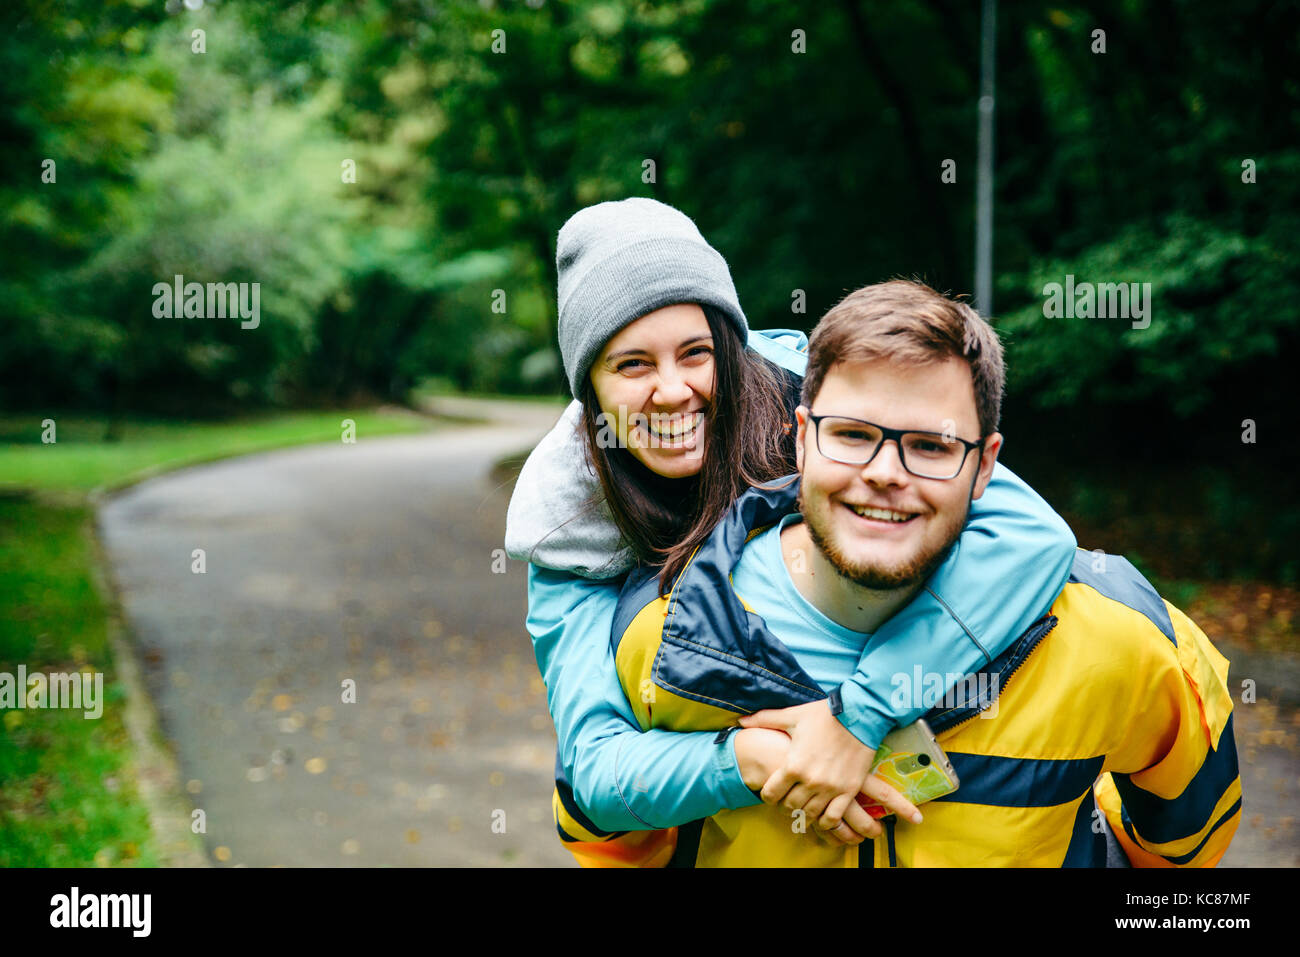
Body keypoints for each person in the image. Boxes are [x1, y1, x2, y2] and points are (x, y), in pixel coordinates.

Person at [505, 198, 1078, 866]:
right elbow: (593, 775)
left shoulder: (811, 394)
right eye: (632, 364)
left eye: (695, 353)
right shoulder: (567, 527)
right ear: (590, 390)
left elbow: (1035, 535)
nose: (671, 390)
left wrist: (857, 717)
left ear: (730, 346)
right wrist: (757, 759)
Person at [599, 278, 1241, 866]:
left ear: (986, 465)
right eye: (851, 434)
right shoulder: (665, 637)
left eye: (930, 446)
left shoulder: (1121, 640)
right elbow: (612, 843)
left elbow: (1183, 848)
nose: (885, 472)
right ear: (800, 438)